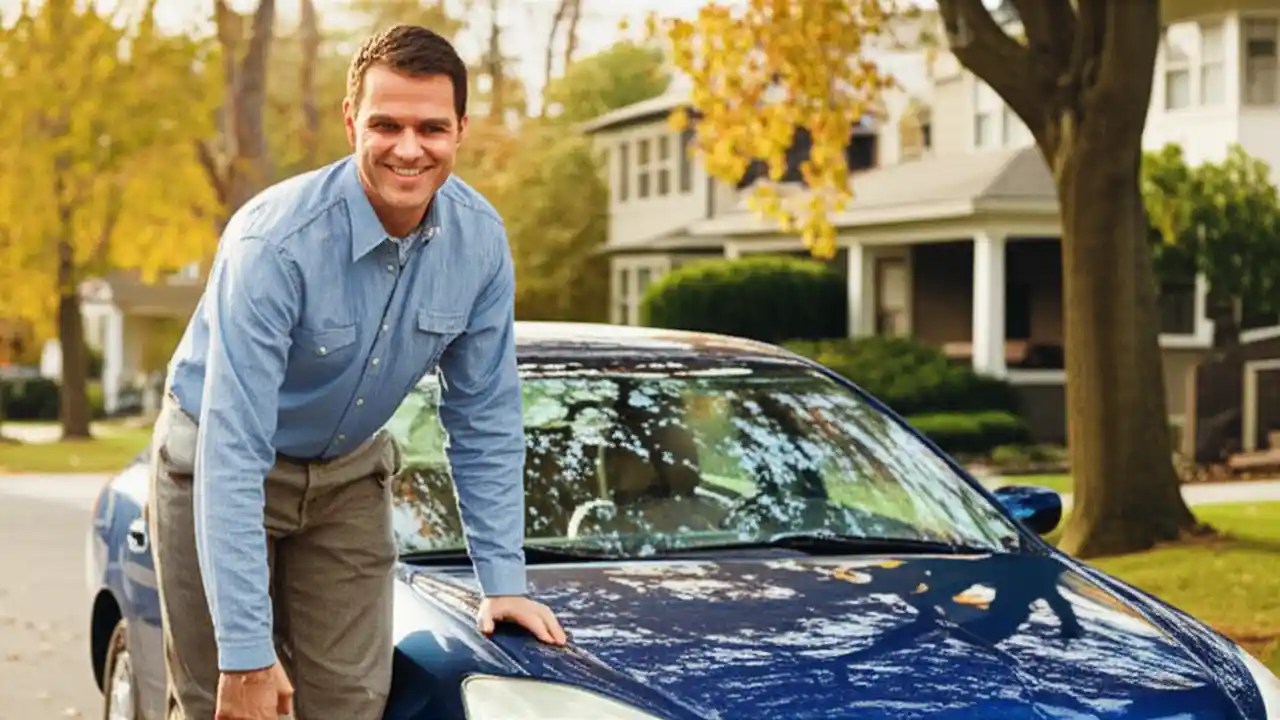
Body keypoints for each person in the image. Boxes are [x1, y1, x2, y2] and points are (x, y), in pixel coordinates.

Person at [148, 24, 567, 720]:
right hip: (216, 467)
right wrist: (248, 655)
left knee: (349, 702)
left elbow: (484, 415)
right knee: (226, 704)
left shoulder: (482, 242)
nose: (409, 148)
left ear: (461, 128)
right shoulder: (274, 245)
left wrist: (503, 580)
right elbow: (234, 448)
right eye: (386, 124)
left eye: (432, 126)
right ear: (351, 123)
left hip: (346, 476)